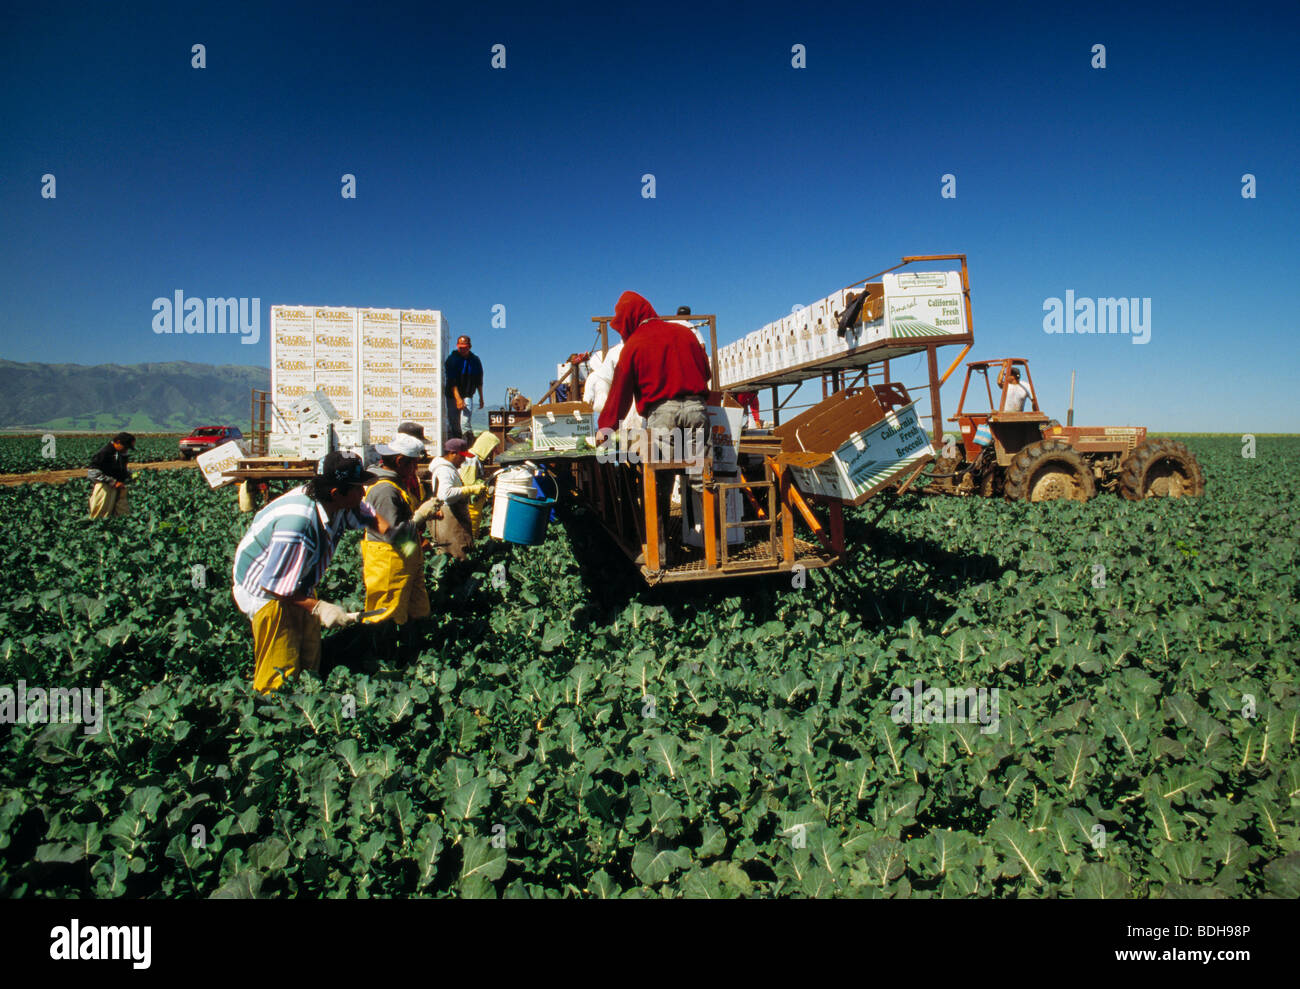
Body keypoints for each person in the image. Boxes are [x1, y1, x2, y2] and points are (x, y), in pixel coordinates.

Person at [230, 450, 440, 693]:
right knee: (282, 664)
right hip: (264, 590)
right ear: (335, 493)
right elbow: (273, 585)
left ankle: (306, 696)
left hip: (296, 582)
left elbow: (381, 525)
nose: (364, 493)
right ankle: (273, 711)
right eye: (358, 488)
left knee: (310, 652)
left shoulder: (343, 503)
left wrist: (412, 546)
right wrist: (319, 607)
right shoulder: (298, 525)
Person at [361, 433, 435, 627]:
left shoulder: (393, 484)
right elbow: (393, 532)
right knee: (387, 618)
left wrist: (416, 549)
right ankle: (387, 655)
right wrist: (421, 516)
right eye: (414, 464)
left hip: (402, 559)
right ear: (400, 461)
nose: (416, 469)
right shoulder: (385, 489)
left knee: (416, 611)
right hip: (390, 563)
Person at [427, 438, 485, 560]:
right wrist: (470, 489)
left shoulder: (448, 468)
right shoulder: (445, 470)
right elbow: (445, 494)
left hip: (450, 516)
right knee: (455, 555)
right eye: (462, 456)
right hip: (449, 516)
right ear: (452, 453)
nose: (464, 460)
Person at [445, 335, 484, 440]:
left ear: (469, 346)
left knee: (465, 424)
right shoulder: (452, 359)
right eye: (460, 347)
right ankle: (455, 447)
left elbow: (479, 380)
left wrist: (481, 397)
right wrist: (458, 399)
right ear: (457, 346)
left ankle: (466, 445)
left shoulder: (475, 360)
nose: (462, 349)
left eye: (465, 347)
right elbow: (451, 380)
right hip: (452, 395)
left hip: (468, 394)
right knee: (454, 424)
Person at [88, 432, 135, 518]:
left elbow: (118, 469)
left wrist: (129, 475)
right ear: (117, 442)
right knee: (101, 514)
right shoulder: (105, 453)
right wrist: (113, 482)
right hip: (104, 487)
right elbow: (92, 472)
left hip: (116, 487)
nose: (126, 449)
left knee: (121, 513)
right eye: (125, 446)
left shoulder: (119, 453)